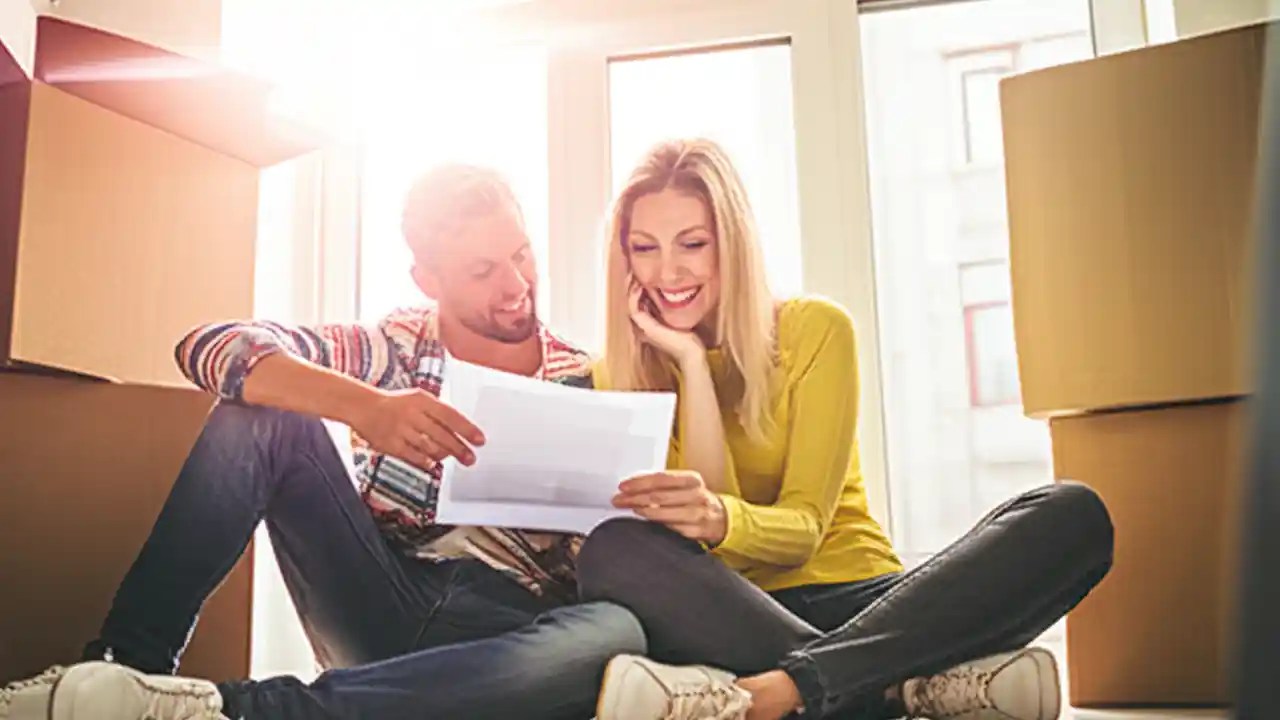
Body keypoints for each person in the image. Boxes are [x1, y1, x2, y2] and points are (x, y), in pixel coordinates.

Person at [0, 164, 646, 720]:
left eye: (521, 255)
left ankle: (244, 710)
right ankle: (120, 675)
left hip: (505, 635)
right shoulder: (393, 348)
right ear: (428, 279)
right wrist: (367, 408)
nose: (516, 285)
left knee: (615, 630)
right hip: (379, 598)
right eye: (483, 270)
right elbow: (209, 347)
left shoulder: (586, 377)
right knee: (262, 415)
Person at [584, 138, 1115, 720]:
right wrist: (691, 364)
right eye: (645, 248)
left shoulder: (815, 330)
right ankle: (901, 689)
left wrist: (719, 517)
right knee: (614, 550)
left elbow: (803, 530)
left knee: (1073, 514)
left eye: (693, 244)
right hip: (732, 615)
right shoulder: (619, 375)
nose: (668, 272)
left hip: (867, 606)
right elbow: (714, 554)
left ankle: (781, 693)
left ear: (732, 244)